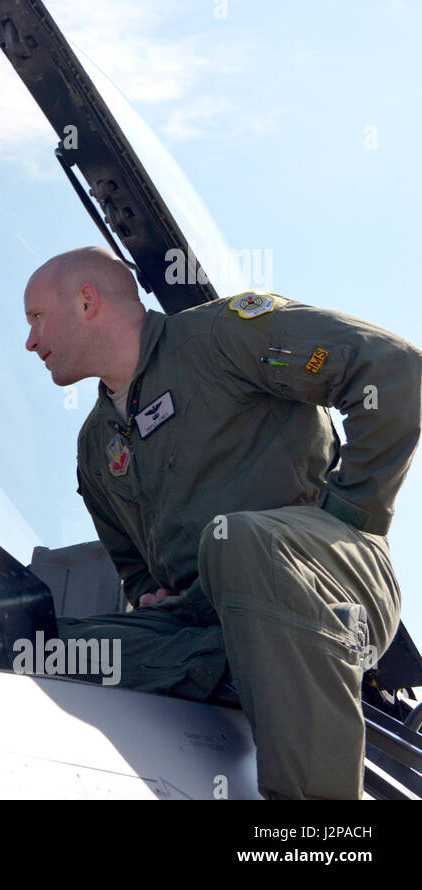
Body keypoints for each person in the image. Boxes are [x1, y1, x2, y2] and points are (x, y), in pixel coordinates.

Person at [23, 245, 422, 799]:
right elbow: (136, 571)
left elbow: (392, 368)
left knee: (238, 541)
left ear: (87, 301)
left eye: (37, 318)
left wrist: (351, 515)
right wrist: (152, 599)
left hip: (331, 582)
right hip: (207, 625)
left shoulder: (221, 338)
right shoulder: (96, 448)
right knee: (34, 648)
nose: (31, 341)